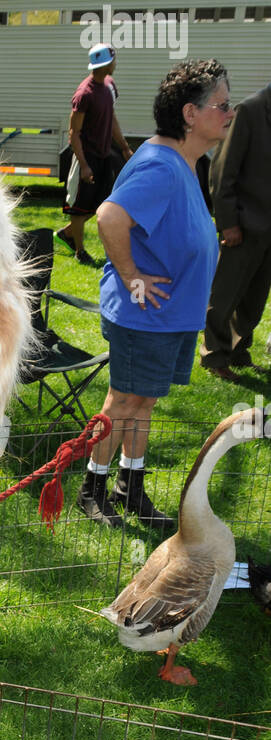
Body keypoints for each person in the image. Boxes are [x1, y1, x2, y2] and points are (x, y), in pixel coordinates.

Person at [76, 59, 232, 528]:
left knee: (142, 402)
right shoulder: (162, 166)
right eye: (222, 105)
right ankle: (92, 489)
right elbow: (109, 217)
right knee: (123, 402)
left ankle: (130, 487)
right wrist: (131, 276)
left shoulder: (184, 160)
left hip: (167, 317)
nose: (229, 113)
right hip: (145, 315)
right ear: (190, 113)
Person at [200, 80, 271, 380]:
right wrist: (228, 223)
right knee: (225, 295)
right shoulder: (250, 110)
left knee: (254, 300)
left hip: (268, 229)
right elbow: (222, 170)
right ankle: (214, 356)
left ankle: (239, 350)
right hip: (242, 225)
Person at [57, 44, 133, 267]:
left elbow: (112, 119)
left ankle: (68, 233)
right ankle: (79, 251)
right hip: (86, 156)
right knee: (80, 205)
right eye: (114, 60)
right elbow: (74, 132)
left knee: (102, 202)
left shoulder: (109, 86)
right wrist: (84, 165)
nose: (116, 63)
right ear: (107, 63)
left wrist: (124, 147)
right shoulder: (84, 94)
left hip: (103, 155)